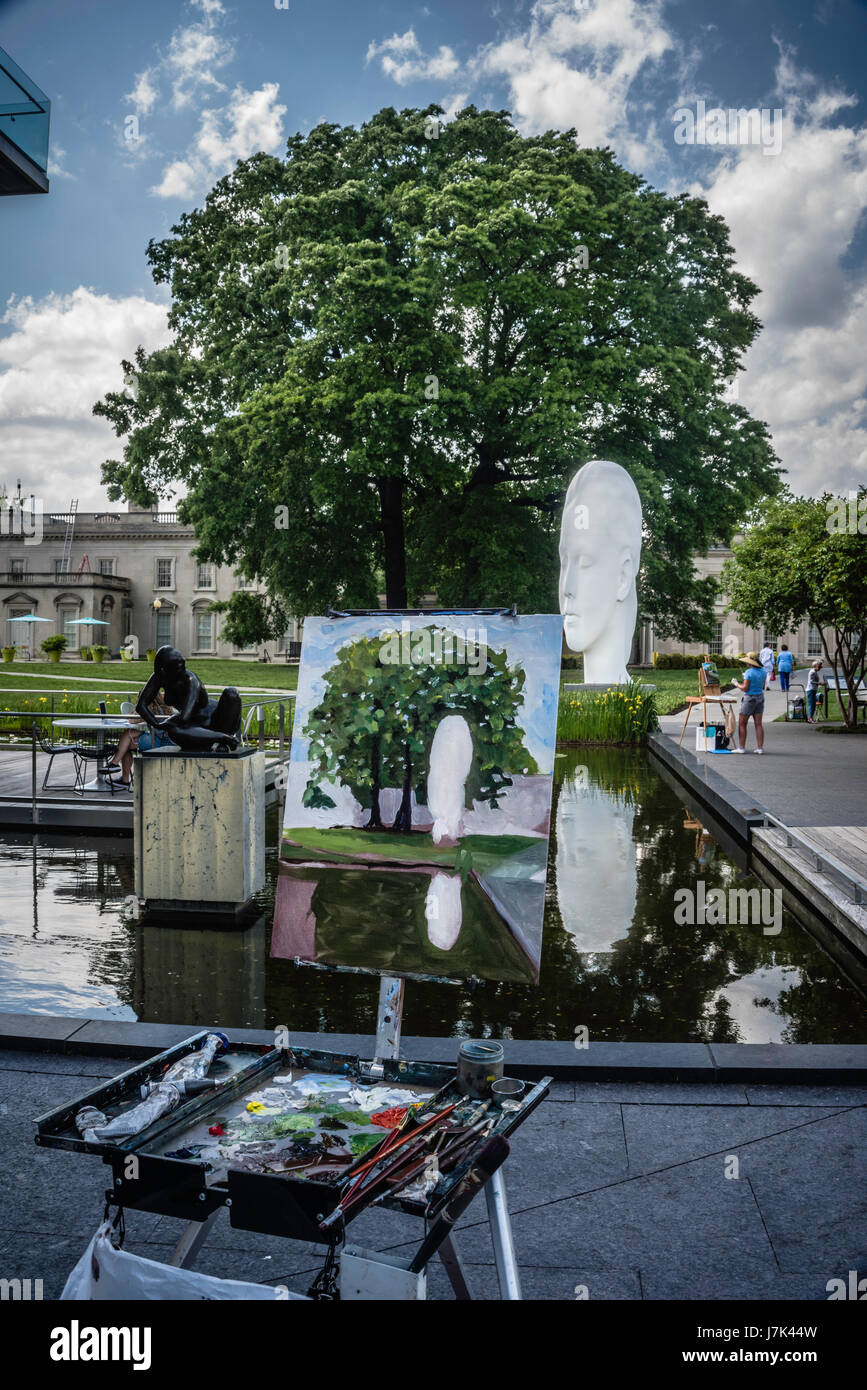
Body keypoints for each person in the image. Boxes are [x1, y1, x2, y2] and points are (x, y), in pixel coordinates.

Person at [104, 695, 175, 787]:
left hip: (160, 742)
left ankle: (117, 769)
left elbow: (131, 720)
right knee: (128, 740)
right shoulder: (165, 708)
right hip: (170, 740)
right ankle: (116, 767)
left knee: (125, 742)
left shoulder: (150, 709)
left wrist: (138, 708)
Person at [733, 651, 767, 753]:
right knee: (758, 724)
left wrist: (736, 684)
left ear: (750, 662)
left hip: (749, 699)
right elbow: (763, 686)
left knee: (742, 723)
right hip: (760, 697)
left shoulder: (749, 672)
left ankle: (741, 748)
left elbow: (745, 688)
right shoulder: (763, 671)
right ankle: (760, 748)